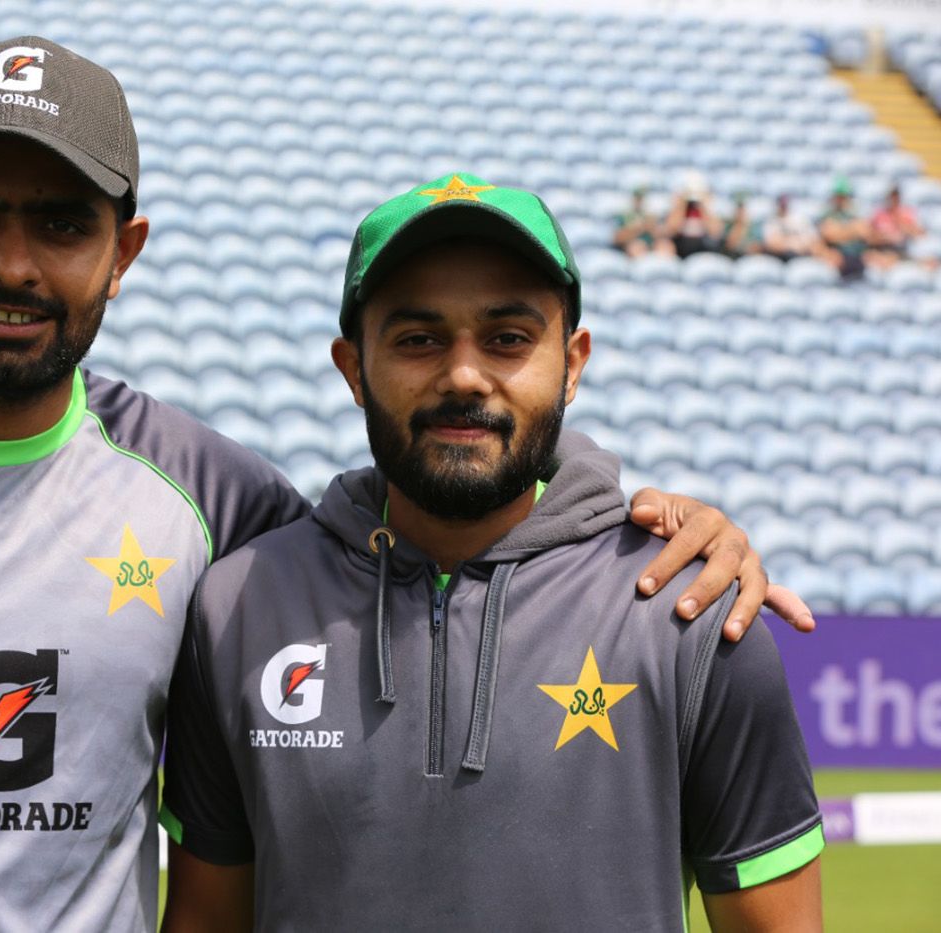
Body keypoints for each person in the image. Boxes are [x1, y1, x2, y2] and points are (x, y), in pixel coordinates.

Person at [0, 40, 809, 931]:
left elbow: (433, 522)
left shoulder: (219, 503)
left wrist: (661, 522)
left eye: (62, 224)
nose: (12, 265)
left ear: (125, 251)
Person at [162, 174, 823, 932]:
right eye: (418, 339)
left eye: (508, 338)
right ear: (353, 369)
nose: (464, 376)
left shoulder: (691, 613)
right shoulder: (238, 606)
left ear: (573, 363)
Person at [817, 178, 872, 279]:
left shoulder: (856, 212)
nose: (840, 200)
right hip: (838, 257)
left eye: (843, 196)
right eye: (838, 196)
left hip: (857, 256)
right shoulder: (828, 214)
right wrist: (852, 231)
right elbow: (830, 235)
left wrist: (840, 231)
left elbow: (865, 233)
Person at [662, 173, 725, 258]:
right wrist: (682, 203)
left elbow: (715, 232)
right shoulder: (679, 209)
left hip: (702, 247)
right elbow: (672, 229)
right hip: (681, 246)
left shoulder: (706, 210)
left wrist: (703, 205)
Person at [868, 184, 926, 268]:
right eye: (891, 196)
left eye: (896, 196)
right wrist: (887, 237)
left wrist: (901, 224)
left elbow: (919, 233)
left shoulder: (906, 213)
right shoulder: (879, 214)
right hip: (883, 250)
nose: (893, 199)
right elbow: (870, 238)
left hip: (902, 250)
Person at [610, 186, 673, 258]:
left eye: (641, 198)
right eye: (637, 198)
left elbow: (661, 234)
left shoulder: (650, 216)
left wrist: (651, 228)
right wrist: (639, 228)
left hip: (651, 243)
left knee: (665, 245)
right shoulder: (624, 216)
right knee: (637, 247)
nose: (639, 201)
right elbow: (617, 238)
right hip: (633, 244)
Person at [761, 193, 824, 262]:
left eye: (785, 205)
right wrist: (791, 244)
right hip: (780, 257)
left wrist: (795, 245)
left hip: (802, 254)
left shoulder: (800, 219)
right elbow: (772, 244)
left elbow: (812, 240)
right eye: (781, 205)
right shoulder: (771, 220)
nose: (783, 208)